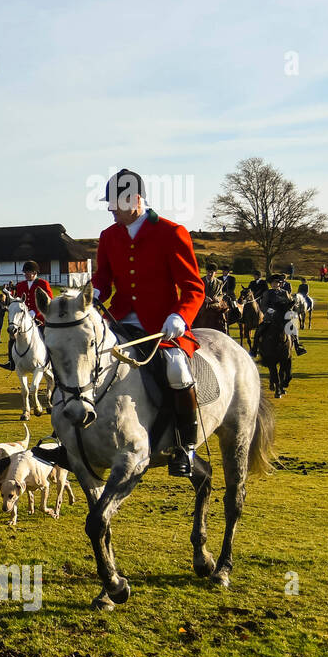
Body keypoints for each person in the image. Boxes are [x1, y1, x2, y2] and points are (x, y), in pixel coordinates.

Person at [91, 168, 206, 477]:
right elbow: (103, 277)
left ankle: (186, 446)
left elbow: (194, 287)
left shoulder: (171, 232)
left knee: (176, 370)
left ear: (135, 199)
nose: (109, 208)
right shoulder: (108, 236)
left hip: (162, 326)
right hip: (117, 323)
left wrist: (180, 316)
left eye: (114, 202)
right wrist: (93, 292)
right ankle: (75, 438)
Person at [0, 261, 53, 371]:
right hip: (23, 320)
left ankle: (52, 361)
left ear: (34, 272)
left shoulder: (43, 284)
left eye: (28, 272)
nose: (26, 274)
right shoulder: (21, 285)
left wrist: (36, 312)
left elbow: (48, 301)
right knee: (12, 338)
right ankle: (11, 362)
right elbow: (17, 301)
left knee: (47, 338)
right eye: (25, 272)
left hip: (40, 319)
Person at [252, 274, 306, 357]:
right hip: (271, 317)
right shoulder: (267, 293)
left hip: (283, 317)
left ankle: (297, 346)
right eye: (273, 283)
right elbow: (263, 306)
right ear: (271, 284)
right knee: (259, 330)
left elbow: (290, 304)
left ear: (280, 284)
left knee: (293, 328)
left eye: (276, 283)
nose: (274, 284)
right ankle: (254, 349)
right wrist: (270, 311)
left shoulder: (285, 293)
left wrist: (291, 308)